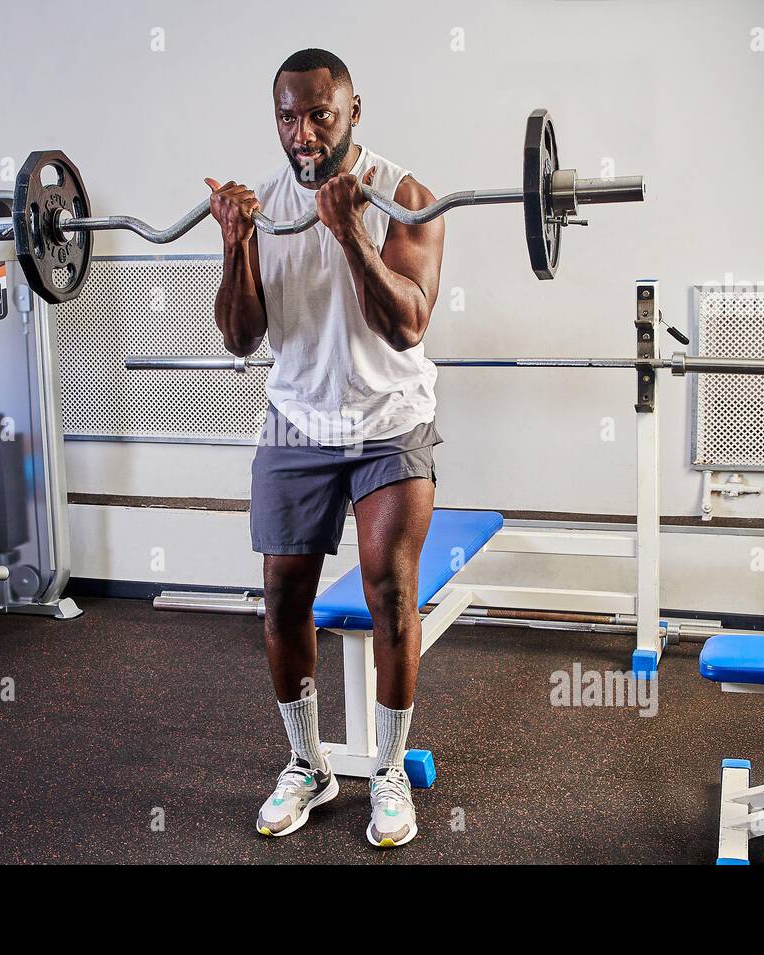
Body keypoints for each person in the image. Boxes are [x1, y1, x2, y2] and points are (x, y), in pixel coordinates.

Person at [206, 48, 445, 848]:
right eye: (287, 116)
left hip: (390, 421)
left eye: (319, 114)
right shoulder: (265, 205)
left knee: (388, 588)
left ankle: (386, 766)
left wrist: (351, 233)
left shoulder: (407, 197)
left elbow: (408, 321)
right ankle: (309, 763)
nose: (302, 133)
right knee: (280, 598)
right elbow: (242, 338)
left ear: (353, 111)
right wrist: (237, 244)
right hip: (296, 425)